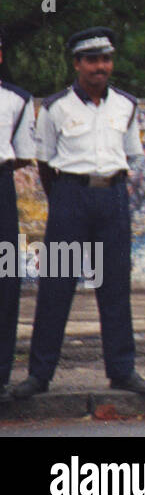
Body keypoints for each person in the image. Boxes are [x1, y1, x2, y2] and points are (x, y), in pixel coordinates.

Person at [12, 28, 145, 398]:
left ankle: (122, 370)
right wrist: (62, 199)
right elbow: (44, 162)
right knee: (56, 287)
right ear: (77, 64)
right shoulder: (56, 107)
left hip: (112, 198)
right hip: (70, 197)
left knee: (115, 287)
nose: (100, 66)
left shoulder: (126, 105)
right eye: (91, 60)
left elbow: (131, 155)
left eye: (105, 59)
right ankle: (39, 375)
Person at [0, 35, 37, 402]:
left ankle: (0, 373)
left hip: (0, 187)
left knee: (4, 280)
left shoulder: (17, 99)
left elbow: (25, 154)